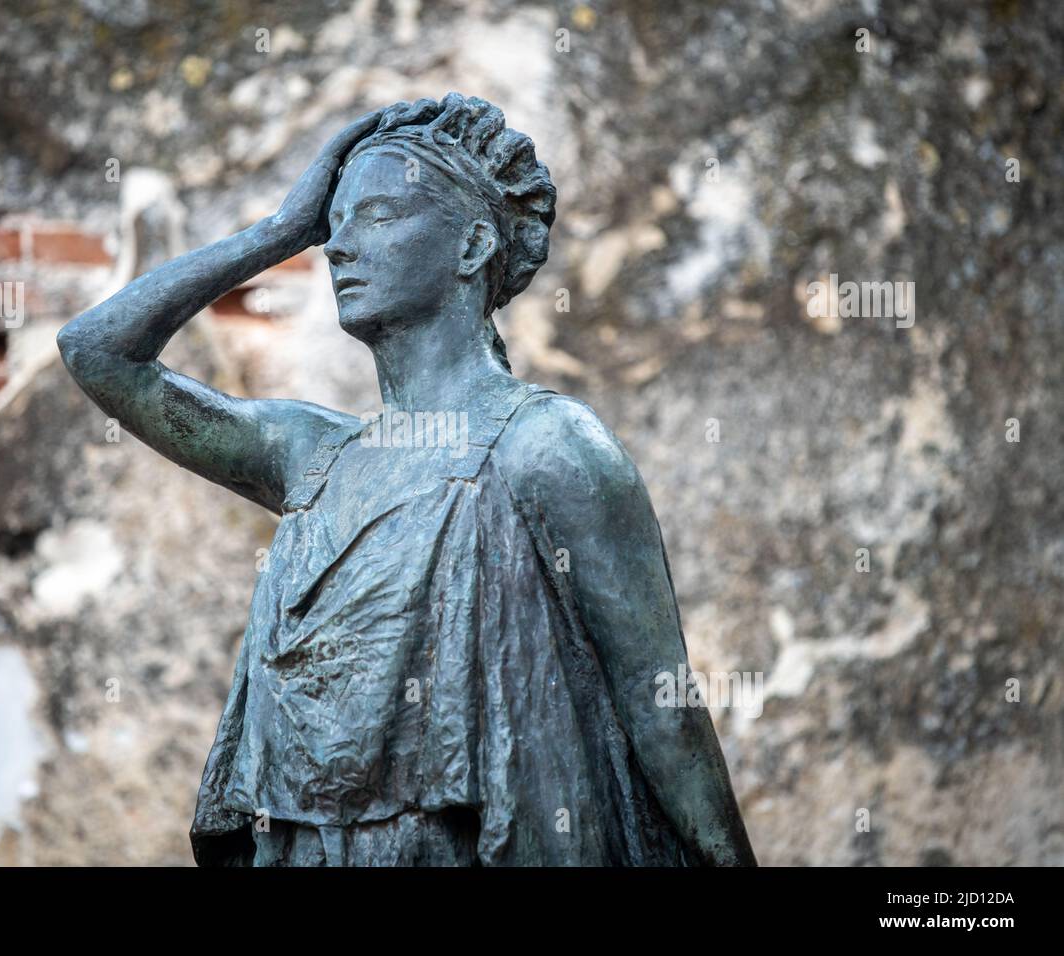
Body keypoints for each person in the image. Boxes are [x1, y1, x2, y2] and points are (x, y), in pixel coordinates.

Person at [57, 93, 757, 866]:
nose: (340, 247)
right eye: (337, 222)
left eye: (380, 215)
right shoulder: (309, 453)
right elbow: (98, 353)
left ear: (472, 246)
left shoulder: (549, 447)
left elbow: (661, 709)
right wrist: (280, 231)